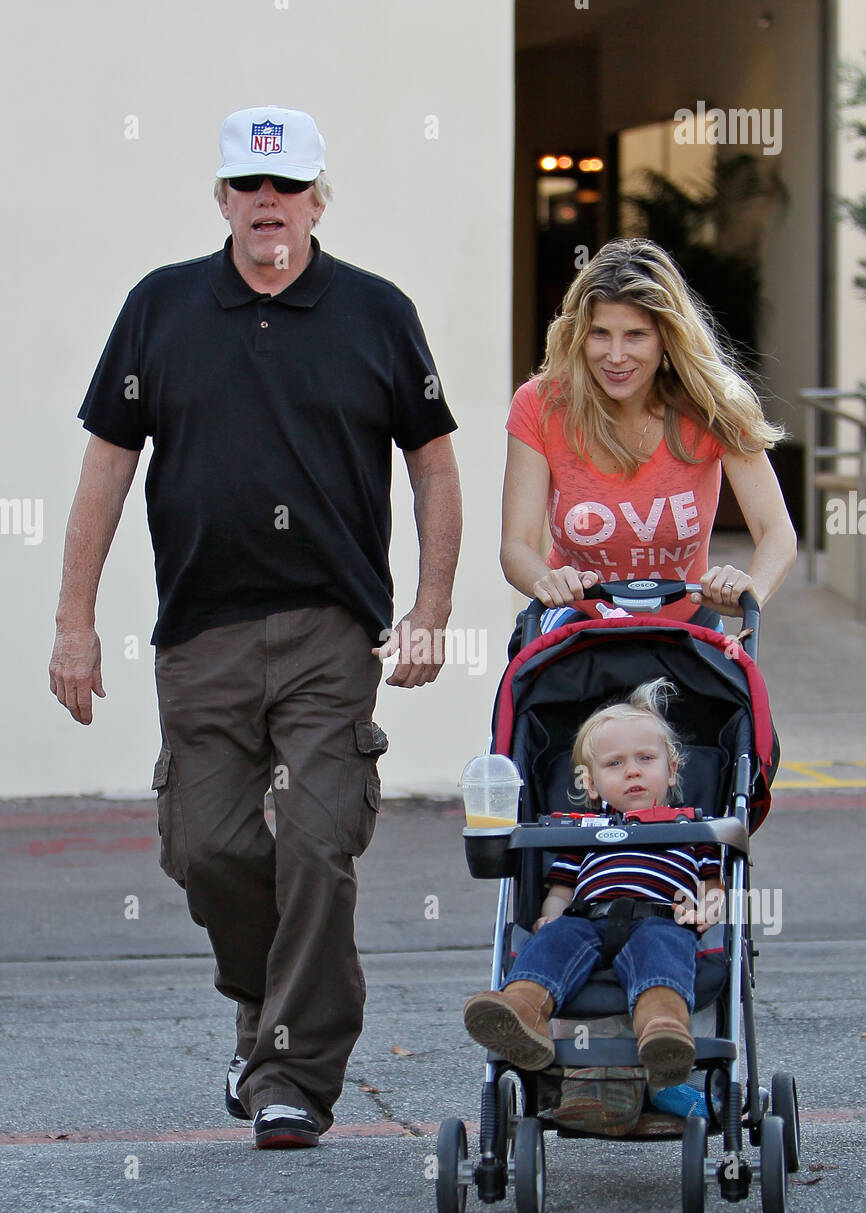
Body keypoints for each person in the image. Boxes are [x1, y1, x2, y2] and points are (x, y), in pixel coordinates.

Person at [49, 106, 461, 1150]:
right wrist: (75, 626)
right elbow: (106, 464)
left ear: (319, 198)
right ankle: (262, 993)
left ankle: (291, 1074)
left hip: (332, 636)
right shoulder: (162, 307)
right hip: (199, 635)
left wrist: (427, 612)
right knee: (209, 848)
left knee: (318, 841)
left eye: (285, 187)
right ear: (222, 198)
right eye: (247, 185)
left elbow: (433, 466)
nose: (266, 203)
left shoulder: (374, 311)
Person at [501, 238, 797, 631]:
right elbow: (516, 547)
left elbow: (776, 531)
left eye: (636, 335)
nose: (616, 355)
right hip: (576, 630)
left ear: (667, 337)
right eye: (600, 333)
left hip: (688, 631)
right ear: (578, 335)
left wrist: (748, 592)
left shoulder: (713, 404)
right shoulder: (539, 405)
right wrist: (547, 579)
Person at [463, 679, 723, 1087]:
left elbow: (713, 883)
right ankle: (522, 1012)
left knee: (664, 945)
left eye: (645, 758)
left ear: (671, 770)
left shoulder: (692, 826)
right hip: (587, 919)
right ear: (590, 783)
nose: (633, 770)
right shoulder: (584, 832)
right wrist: (550, 917)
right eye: (615, 763)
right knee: (553, 940)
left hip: (662, 917)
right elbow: (562, 890)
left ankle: (663, 1028)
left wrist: (705, 911)